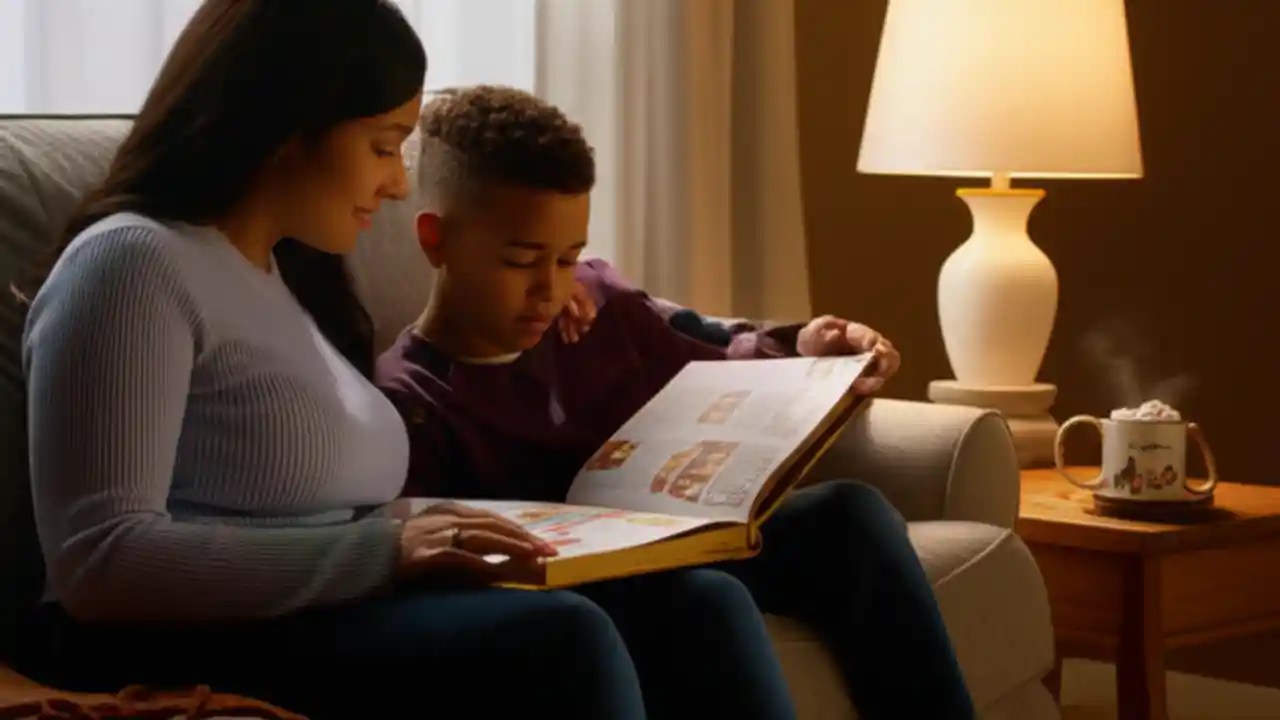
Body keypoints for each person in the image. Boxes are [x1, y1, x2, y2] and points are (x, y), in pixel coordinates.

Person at [13, 3, 770, 718]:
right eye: (382, 146)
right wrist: (386, 549)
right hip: (177, 639)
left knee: (698, 603)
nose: (399, 182)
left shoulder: (278, 276)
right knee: (558, 640)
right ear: (287, 126)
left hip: (320, 607)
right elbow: (98, 560)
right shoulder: (132, 263)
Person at [374, 85, 977, 720]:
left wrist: (807, 346)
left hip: (681, 540)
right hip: (589, 592)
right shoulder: (411, 399)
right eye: (522, 261)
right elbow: (435, 570)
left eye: (567, 257)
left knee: (848, 514)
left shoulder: (596, 304)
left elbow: (708, 346)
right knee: (704, 600)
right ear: (436, 241)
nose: (548, 289)